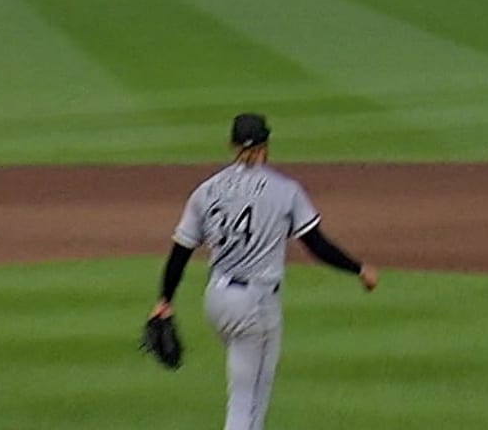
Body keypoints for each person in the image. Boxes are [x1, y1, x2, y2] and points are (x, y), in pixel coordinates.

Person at [147, 113, 378, 430]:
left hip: (216, 300)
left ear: (230, 145)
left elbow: (181, 251)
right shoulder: (285, 190)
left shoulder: (207, 190)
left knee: (244, 389)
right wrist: (358, 269)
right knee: (248, 407)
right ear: (266, 145)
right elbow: (316, 245)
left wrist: (164, 299)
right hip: (255, 306)